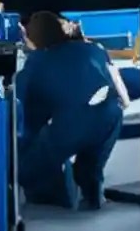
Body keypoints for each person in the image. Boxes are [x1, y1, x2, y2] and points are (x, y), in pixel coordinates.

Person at [16, 11, 123, 210]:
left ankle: (51, 198)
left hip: (71, 124)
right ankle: (92, 191)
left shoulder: (37, 62)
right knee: (89, 167)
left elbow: (19, 106)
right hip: (110, 116)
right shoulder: (93, 49)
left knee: (29, 167)